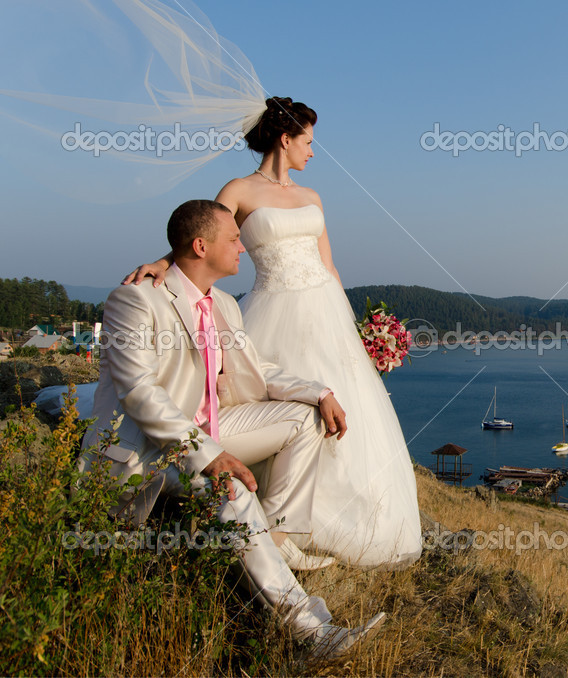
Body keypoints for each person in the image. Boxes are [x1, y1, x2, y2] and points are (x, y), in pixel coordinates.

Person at [124, 97, 422, 568]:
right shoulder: (239, 189)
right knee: (272, 396)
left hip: (325, 309)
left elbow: (329, 265)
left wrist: (357, 330)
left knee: (344, 410)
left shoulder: (314, 197)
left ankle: (341, 525)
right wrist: (162, 264)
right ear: (285, 138)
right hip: (273, 307)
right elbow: (199, 238)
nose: (312, 151)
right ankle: (263, 523)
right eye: (308, 141)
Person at [84, 199, 384, 657]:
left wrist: (319, 392)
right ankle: (309, 633)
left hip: (210, 430)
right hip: (150, 450)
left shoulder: (224, 303)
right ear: (201, 246)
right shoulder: (135, 299)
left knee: (304, 418)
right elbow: (139, 393)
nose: (244, 246)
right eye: (233, 238)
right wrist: (209, 456)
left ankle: (274, 541)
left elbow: (257, 371)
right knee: (233, 491)